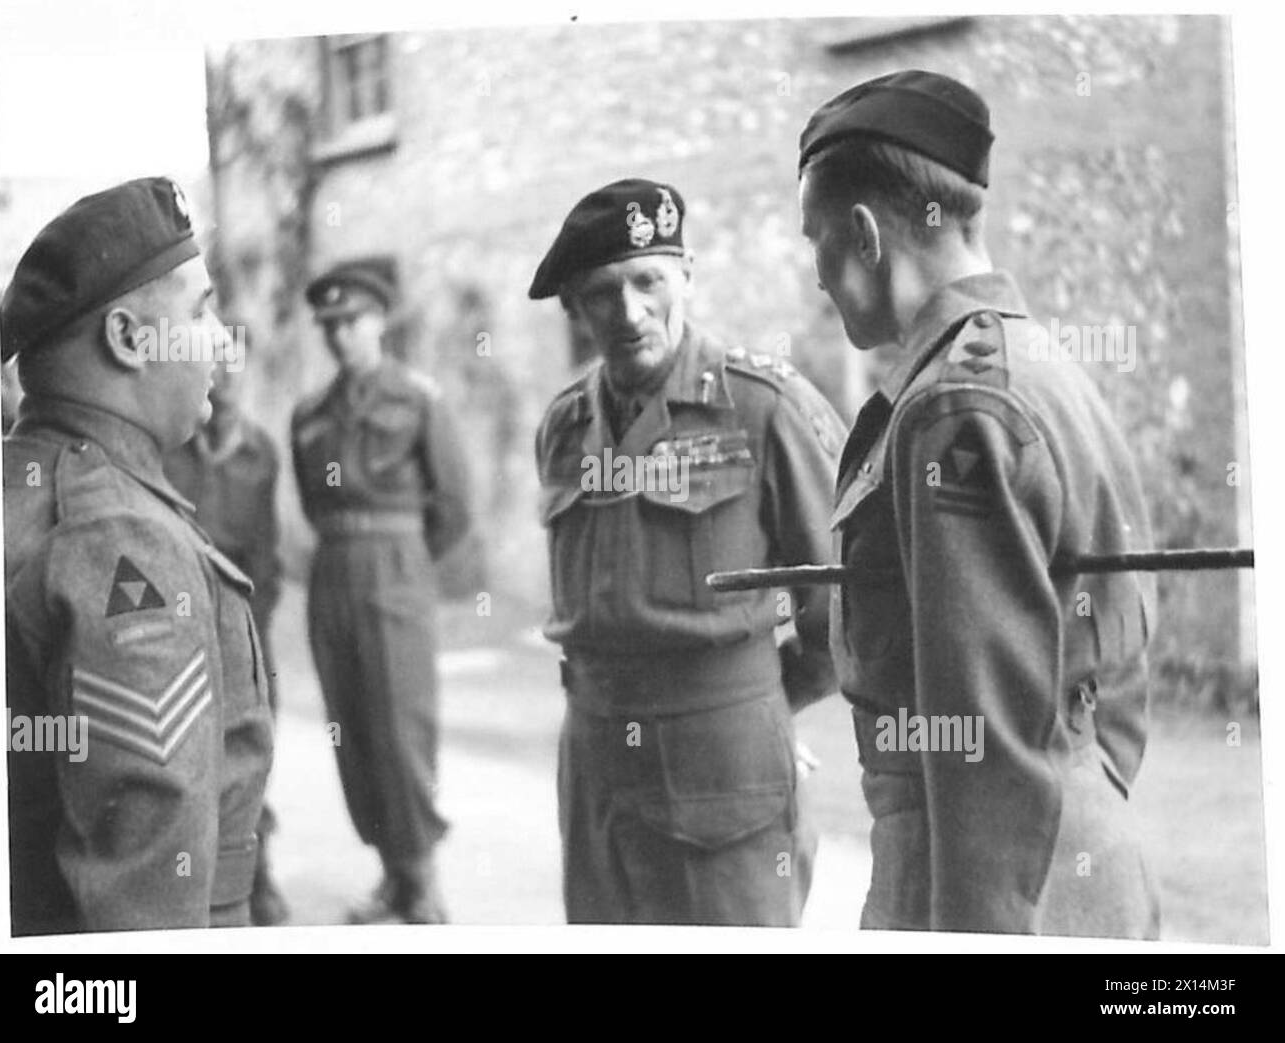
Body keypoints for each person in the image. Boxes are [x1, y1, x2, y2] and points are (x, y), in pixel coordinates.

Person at [797, 70, 1160, 936]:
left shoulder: (954, 408)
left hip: (985, 893)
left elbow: (979, 741)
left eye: (816, 240)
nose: (816, 277)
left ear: (864, 234)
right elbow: (1117, 678)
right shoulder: (1041, 366)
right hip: (1077, 860)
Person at [530, 178, 846, 925]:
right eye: (602, 292)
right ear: (574, 306)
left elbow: (847, 604)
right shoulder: (565, 427)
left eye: (649, 281)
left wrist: (757, 706)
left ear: (687, 278)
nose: (629, 312)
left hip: (720, 765)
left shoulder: (762, 406)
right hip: (595, 764)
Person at [1, 176, 273, 934]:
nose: (223, 341)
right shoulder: (117, 538)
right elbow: (148, 888)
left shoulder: (20, 482)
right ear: (127, 339)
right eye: (201, 311)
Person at [291, 261, 471, 924]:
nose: (339, 335)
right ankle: (393, 873)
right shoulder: (309, 413)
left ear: (379, 322)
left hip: (396, 568)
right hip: (333, 571)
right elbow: (312, 503)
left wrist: (406, 561)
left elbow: (454, 505)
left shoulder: (418, 398)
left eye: (352, 321)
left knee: (402, 726)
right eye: (329, 325)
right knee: (354, 726)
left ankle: (423, 879)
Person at [165, 357, 289, 926]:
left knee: (247, 754)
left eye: (238, 368)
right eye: (219, 366)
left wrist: (247, 632)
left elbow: (266, 554)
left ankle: (256, 877)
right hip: (182, 619)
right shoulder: (171, 446)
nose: (228, 381)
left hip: (243, 623)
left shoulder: (261, 453)